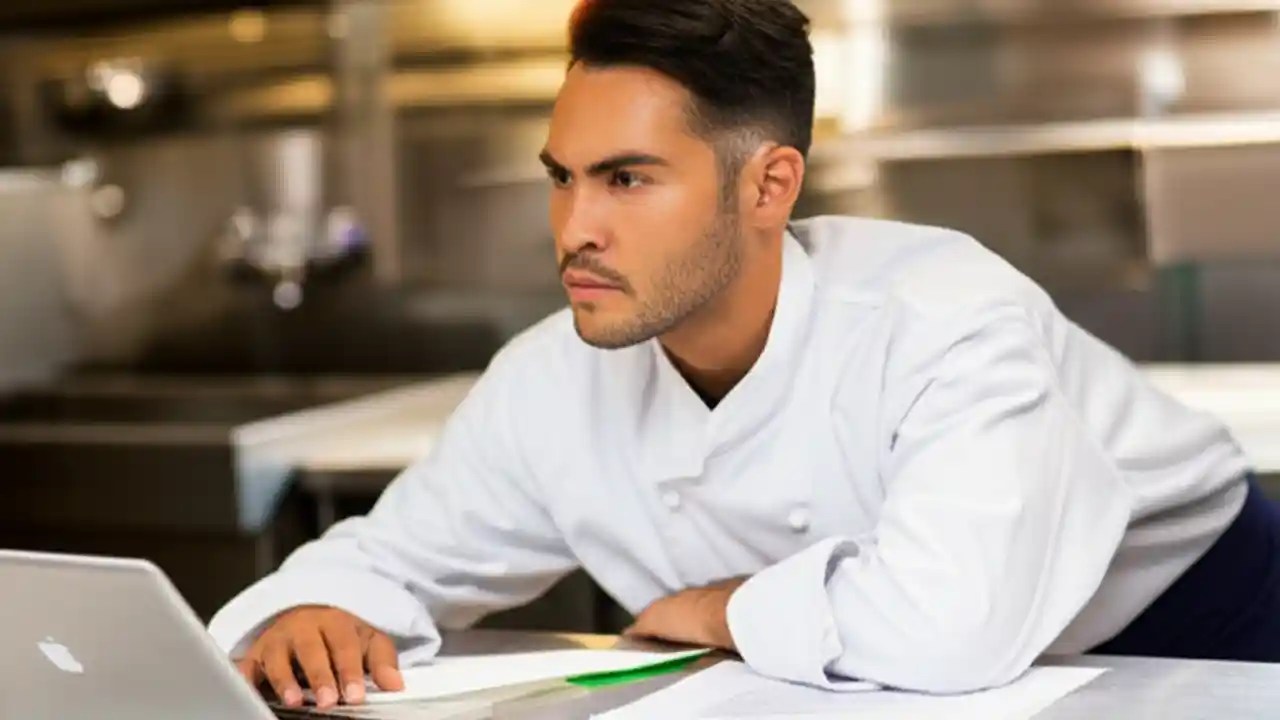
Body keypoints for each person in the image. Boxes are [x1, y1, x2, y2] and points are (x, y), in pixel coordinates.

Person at [210, 0, 1278, 710]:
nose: (573, 225)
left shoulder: (941, 314)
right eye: (560, 176)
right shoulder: (548, 378)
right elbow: (392, 560)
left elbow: (950, 625)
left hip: (1192, 625)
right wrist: (312, 613)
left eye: (625, 179)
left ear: (768, 186)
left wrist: (720, 607)